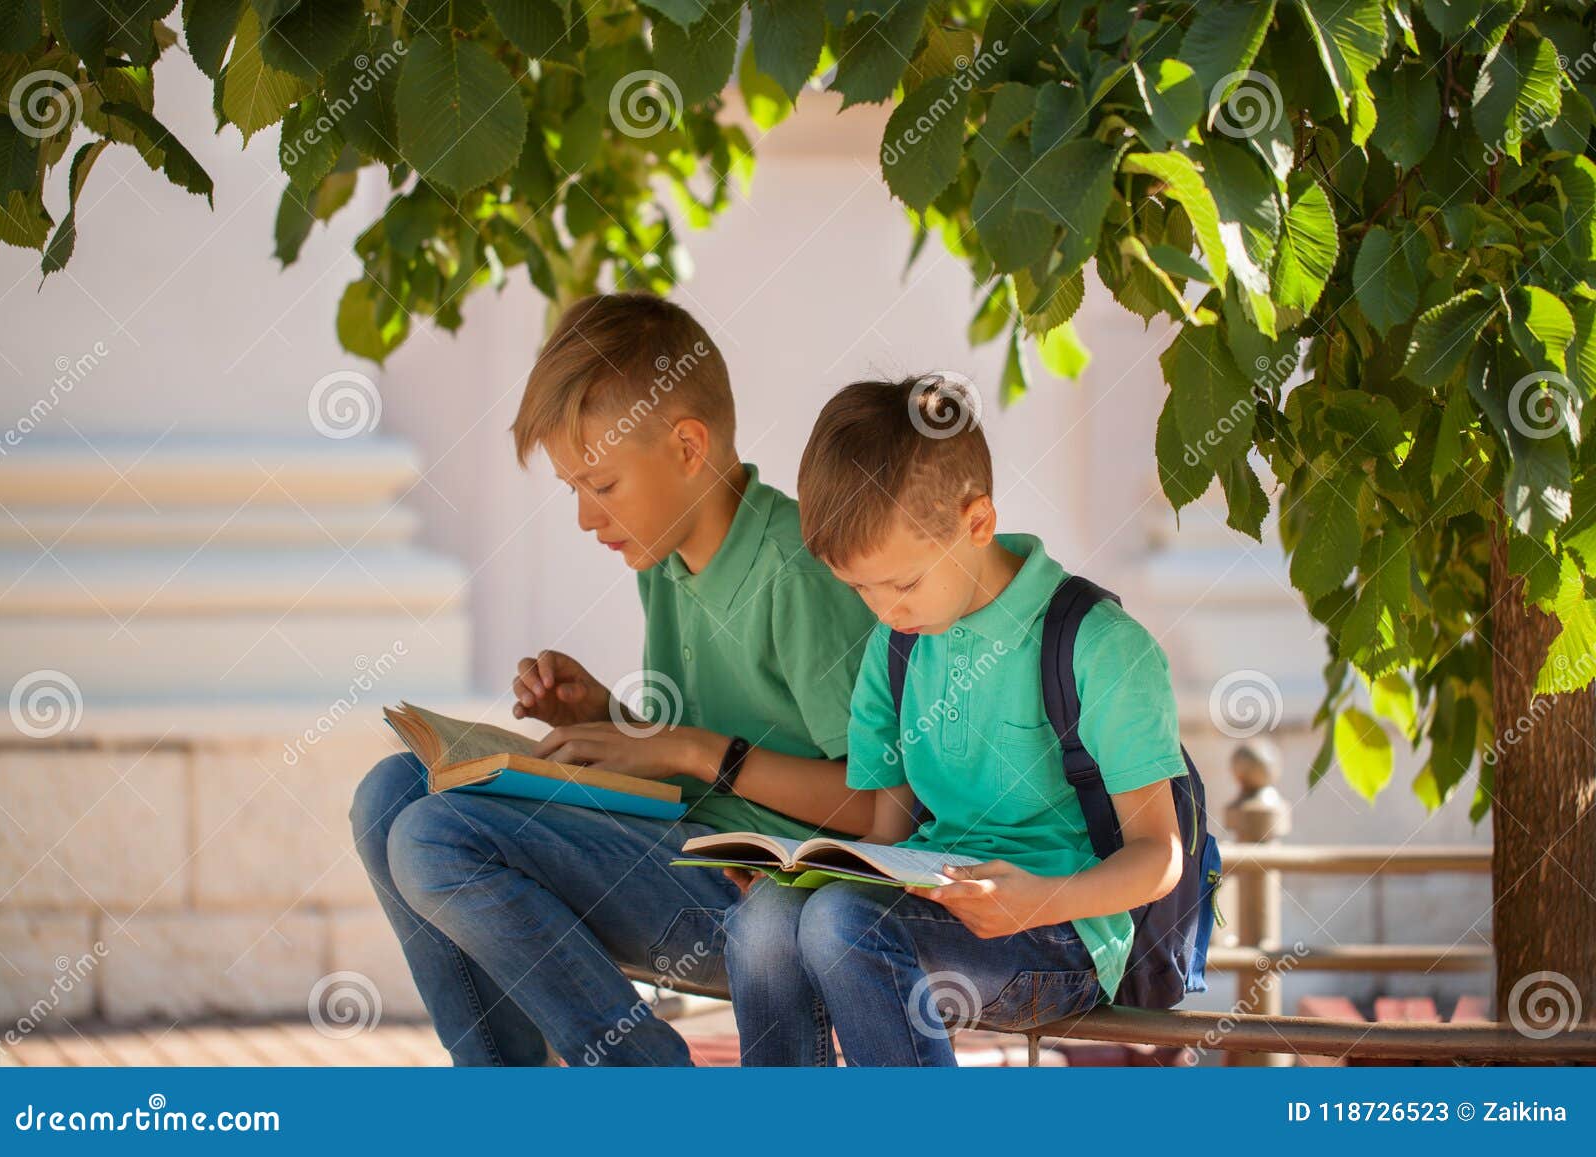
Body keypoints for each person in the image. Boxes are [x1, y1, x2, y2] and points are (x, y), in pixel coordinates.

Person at [350, 292, 876, 1065]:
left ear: (688, 447)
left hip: (771, 899)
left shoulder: (795, 573)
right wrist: (608, 717)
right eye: (574, 490)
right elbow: (691, 763)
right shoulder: (667, 563)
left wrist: (691, 749)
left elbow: (875, 805)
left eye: (602, 484)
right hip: (690, 852)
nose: (586, 518)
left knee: (434, 836)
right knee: (391, 794)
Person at [724, 375, 1188, 1066]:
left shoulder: (1097, 643)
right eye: (860, 588)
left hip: (1063, 932)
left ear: (976, 522)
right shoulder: (900, 644)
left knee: (843, 924)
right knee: (762, 923)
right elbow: (888, 836)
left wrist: (1036, 900)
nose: (883, 610)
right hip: (930, 907)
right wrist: (797, 875)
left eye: (902, 582)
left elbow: (1161, 857)